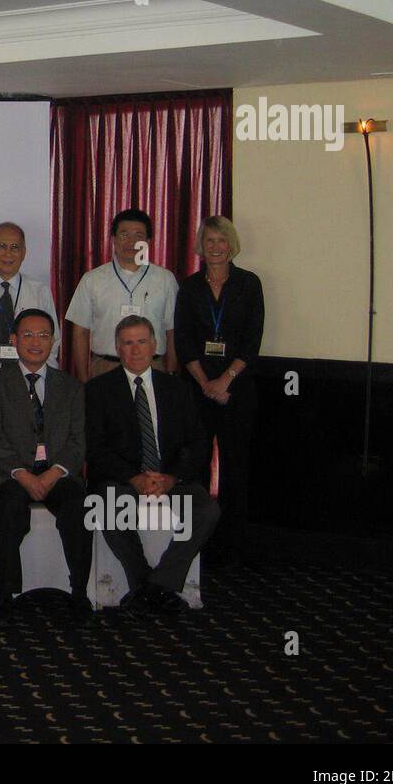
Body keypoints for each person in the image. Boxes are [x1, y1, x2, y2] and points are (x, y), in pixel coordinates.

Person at [84, 316, 218, 616]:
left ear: (155, 346)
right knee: (107, 507)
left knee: (207, 510)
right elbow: (95, 448)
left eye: (142, 341)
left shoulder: (178, 388)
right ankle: (142, 582)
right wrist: (134, 478)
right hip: (122, 481)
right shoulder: (97, 390)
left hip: (171, 478)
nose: (135, 350)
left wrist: (172, 478)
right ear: (117, 348)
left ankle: (156, 586)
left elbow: (198, 441)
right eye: (127, 343)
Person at [0, 309, 89, 625]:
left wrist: (54, 473)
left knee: (78, 508)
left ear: (53, 342)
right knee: (11, 507)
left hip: (57, 472)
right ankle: (6, 593)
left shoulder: (70, 386)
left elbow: (77, 442)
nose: (36, 342)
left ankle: (79, 591)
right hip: (10, 472)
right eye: (27, 335)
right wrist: (24, 475)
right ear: (13, 340)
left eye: (44, 335)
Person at [174, 215, 264, 557]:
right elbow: (183, 341)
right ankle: (195, 543)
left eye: (221, 240)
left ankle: (233, 545)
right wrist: (204, 383)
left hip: (237, 389)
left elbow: (251, 341)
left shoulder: (249, 284)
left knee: (235, 468)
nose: (215, 247)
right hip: (197, 390)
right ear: (201, 245)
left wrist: (225, 379)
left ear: (232, 244)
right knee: (193, 465)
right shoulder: (189, 287)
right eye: (209, 240)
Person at [66, 208, 178, 382]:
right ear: (113, 239)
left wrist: (170, 373)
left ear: (148, 242)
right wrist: (83, 379)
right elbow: (80, 332)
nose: (131, 242)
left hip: (153, 368)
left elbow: (172, 331)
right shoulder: (92, 279)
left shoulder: (165, 279)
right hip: (105, 368)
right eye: (124, 235)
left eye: (138, 236)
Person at [0, 222, 58, 383]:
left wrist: (46, 378)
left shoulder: (39, 291)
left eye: (15, 247)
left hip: (28, 374)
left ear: (23, 253)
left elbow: (53, 339)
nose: (8, 253)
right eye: (2, 246)